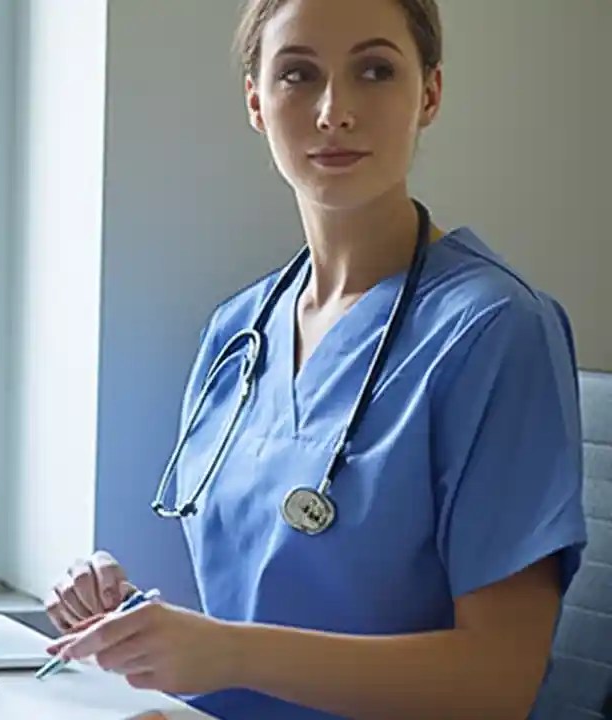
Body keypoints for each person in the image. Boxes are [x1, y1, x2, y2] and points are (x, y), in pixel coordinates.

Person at [42, 1, 588, 718]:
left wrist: (231, 651)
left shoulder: (494, 331)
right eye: (298, 74)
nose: (334, 111)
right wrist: (131, 620)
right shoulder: (238, 334)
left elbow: (499, 680)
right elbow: (261, 602)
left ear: (430, 93)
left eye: (374, 70)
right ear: (255, 103)